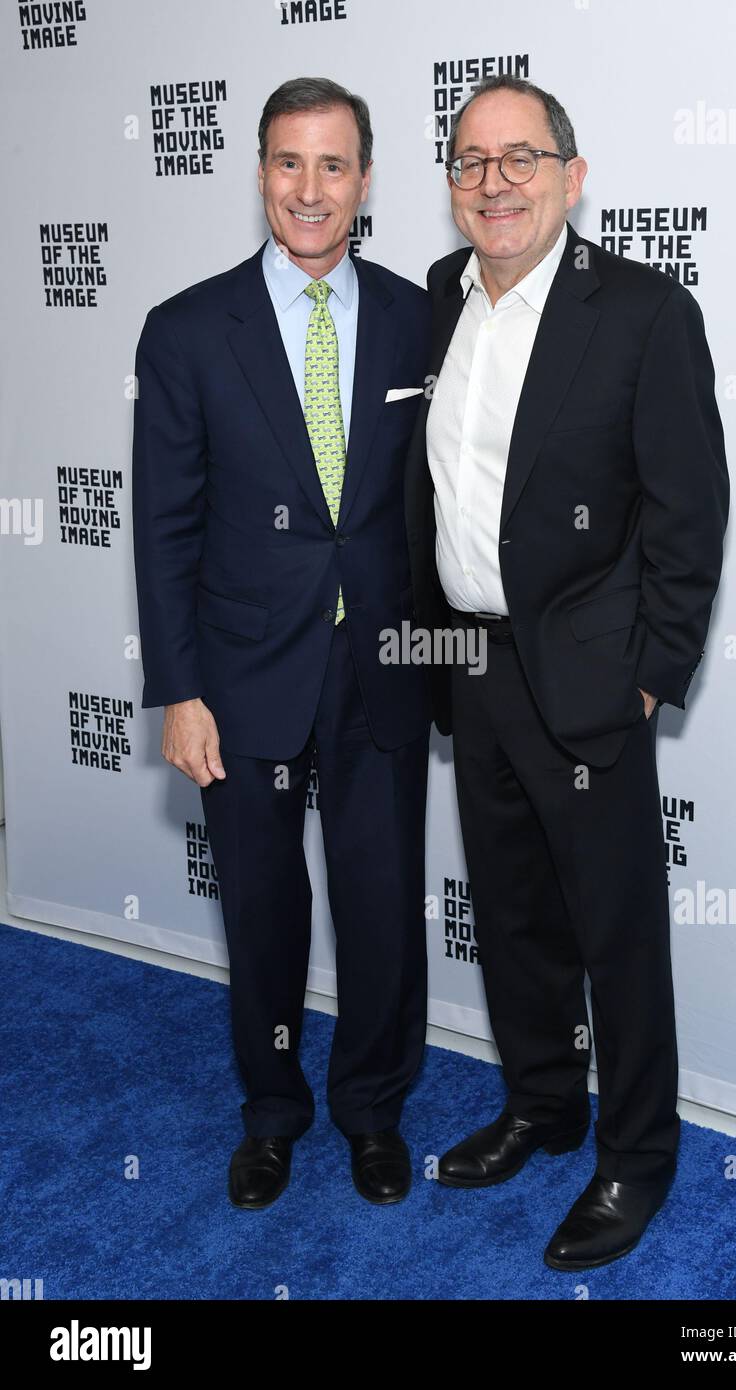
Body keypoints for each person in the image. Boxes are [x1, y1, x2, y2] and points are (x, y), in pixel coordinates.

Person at [405, 74, 729, 1269]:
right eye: (470, 162)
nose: (494, 183)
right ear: (450, 188)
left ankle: (634, 1153)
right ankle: (542, 1106)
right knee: (511, 917)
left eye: (520, 159)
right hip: (471, 662)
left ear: (570, 177)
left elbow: (688, 513)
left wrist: (647, 675)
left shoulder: (642, 312)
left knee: (615, 935)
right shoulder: (441, 296)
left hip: (588, 677)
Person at [133, 77, 431, 1210]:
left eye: (334, 166)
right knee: (260, 910)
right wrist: (179, 689)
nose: (310, 191)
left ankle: (370, 1108)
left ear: (364, 180)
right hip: (242, 677)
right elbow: (162, 528)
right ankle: (271, 1111)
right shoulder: (183, 330)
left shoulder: (416, 316)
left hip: (381, 673)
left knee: (379, 901)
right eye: (289, 164)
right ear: (258, 170)